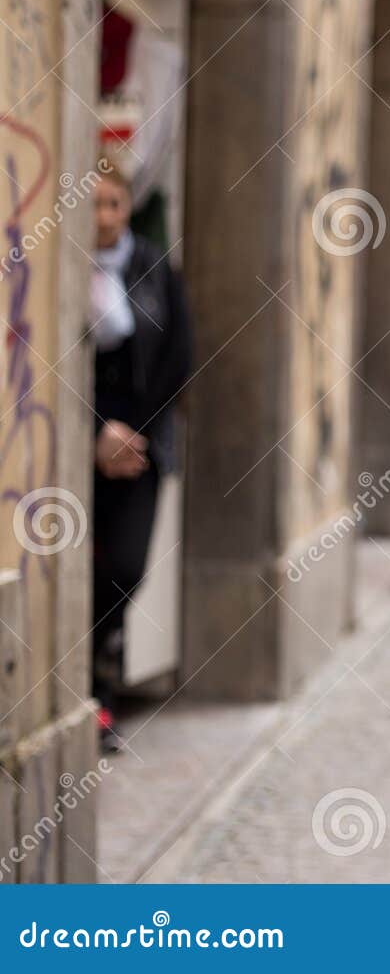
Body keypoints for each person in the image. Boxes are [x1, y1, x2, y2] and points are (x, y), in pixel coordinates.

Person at [90, 160, 192, 752]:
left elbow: (179, 357)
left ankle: (98, 682)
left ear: (128, 208)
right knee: (75, 568)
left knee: (124, 570)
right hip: (79, 450)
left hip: (142, 449)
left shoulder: (155, 267)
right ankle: (96, 702)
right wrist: (95, 434)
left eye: (114, 205)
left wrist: (134, 436)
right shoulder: (64, 271)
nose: (103, 217)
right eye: (94, 204)